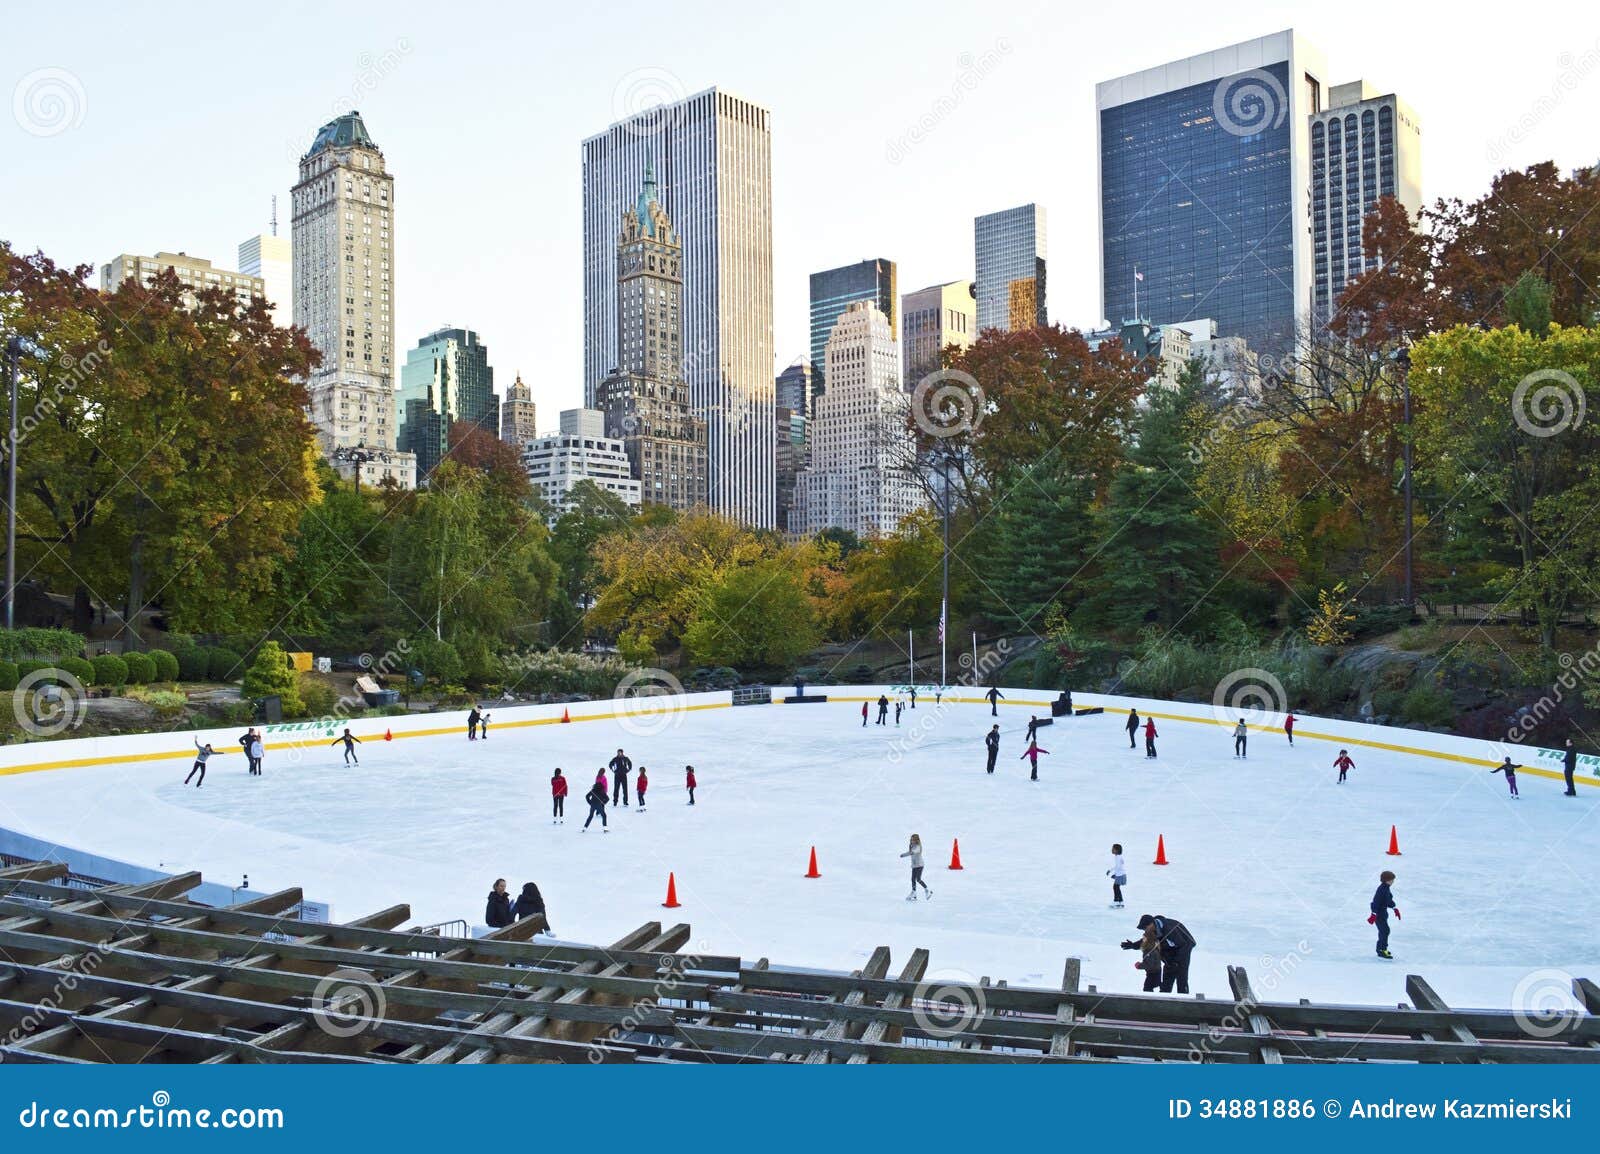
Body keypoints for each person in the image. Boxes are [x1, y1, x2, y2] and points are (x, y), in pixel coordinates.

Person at [1122, 914, 1195, 994]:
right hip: (1169, 952)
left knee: (1181, 978)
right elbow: (1146, 941)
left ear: (1151, 924)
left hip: (1184, 949)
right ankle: (1163, 1000)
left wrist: (1176, 961)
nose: (1144, 930)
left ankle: (1184, 1001)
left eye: (1144, 928)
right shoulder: (1152, 930)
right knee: (1167, 981)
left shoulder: (1169, 929)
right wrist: (1133, 945)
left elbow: (1185, 945)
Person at [1369, 870, 1399, 958]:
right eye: (1391, 880)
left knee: (1384, 931)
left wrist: (1394, 908)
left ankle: (1381, 949)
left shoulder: (1386, 888)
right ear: (1386, 880)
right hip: (1379, 915)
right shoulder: (1381, 889)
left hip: (1383, 913)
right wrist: (1374, 914)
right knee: (1385, 931)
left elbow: (1388, 899)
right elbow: (1376, 902)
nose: (1393, 881)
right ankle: (1381, 950)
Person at [1131, 922, 1163, 992]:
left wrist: (1139, 965)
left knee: (1147, 989)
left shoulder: (1149, 950)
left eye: (1144, 938)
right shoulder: (1153, 948)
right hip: (1156, 972)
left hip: (1153, 973)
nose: (1143, 939)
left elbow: (1149, 964)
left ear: (1149, 940)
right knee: (1151, 987)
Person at [900, 834, 932, 901]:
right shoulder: (911, 845)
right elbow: (910, 852)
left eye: (913, 839)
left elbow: (914, 852)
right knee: (912, 879)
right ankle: (914, 894)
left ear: (916, 840)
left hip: (920, 865)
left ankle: (927, 890)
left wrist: (911, 852)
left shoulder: (918, 846)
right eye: (911, 839)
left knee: (918, 879)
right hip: (914, 865)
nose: (911, 840)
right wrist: (904, 855)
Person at [1107, 843, 1127, 909]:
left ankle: (1116, 901)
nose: (1112, 850)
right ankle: (1120, 901)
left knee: (1115, 887)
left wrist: (1115, 874)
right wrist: (1110, 870)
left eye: (1113, 849)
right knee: (1116, 887)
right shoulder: (1118, 856)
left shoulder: (1118, 857)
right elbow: (1118, 866)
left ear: (1117, 850)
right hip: (1121, 874)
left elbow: (1118, 867)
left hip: (1120, 875)